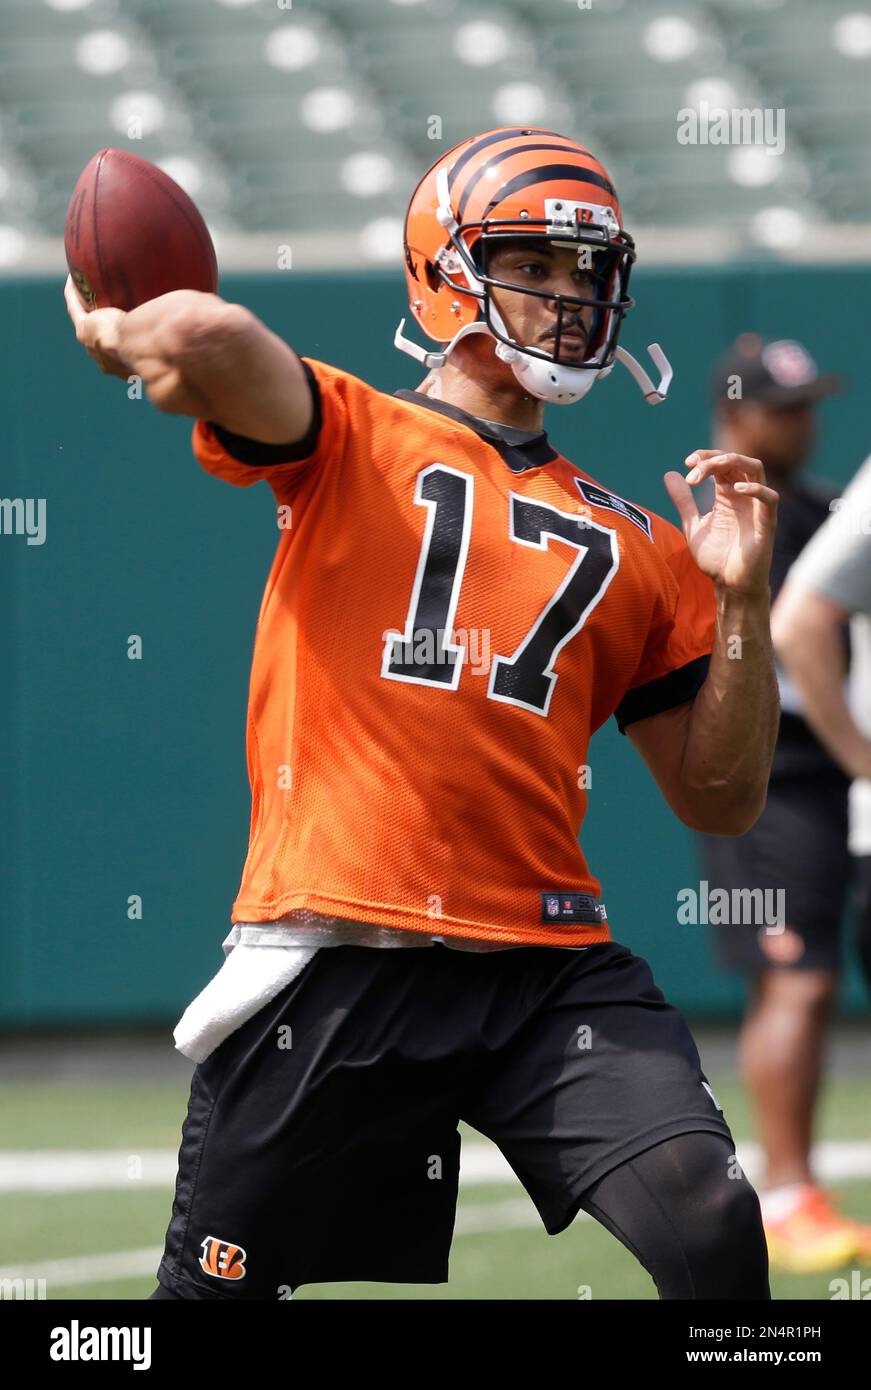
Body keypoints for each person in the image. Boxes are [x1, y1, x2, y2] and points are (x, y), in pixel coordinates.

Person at [66, 128, 778, 1301]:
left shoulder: (640, 542)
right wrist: (133, 329)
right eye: (533, 267)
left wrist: (741, 600)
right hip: (341, 951)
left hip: (543, 967)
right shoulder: (350, 435)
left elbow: (720, 793)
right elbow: (204, 335)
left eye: (583, 276)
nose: (565, 302)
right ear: (443, 269)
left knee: (710, 1221)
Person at [696, 335, 871, 1272]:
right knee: (794, 975)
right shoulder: (713, 513)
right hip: (771, 766)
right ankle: (785, 1190)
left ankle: (797, 1186)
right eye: (782, 405)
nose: (801, 422)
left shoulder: (825, 508)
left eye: (808, 405)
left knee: (821, 975)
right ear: (734, 412)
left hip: (835, 767)